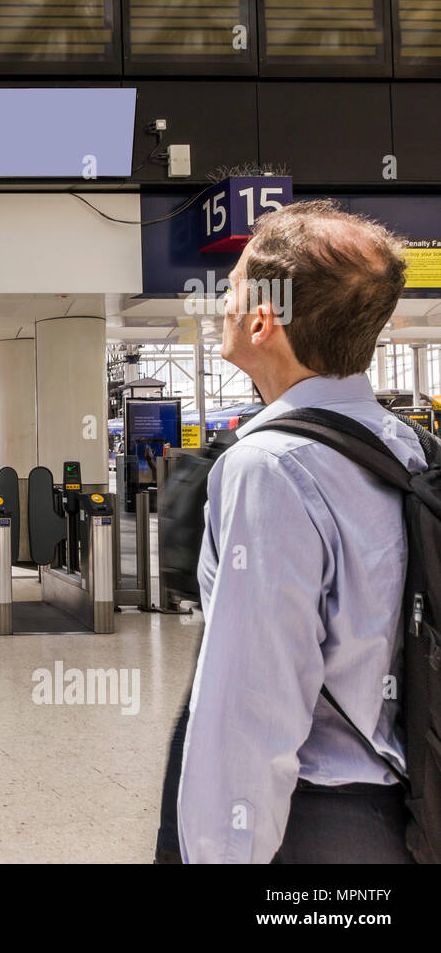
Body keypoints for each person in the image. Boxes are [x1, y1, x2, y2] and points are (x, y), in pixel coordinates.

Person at [176, 199, 423, 863]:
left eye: (230, 291)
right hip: (407, 808)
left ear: (262, 321)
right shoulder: (408, 448)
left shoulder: (269, 470)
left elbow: (252, 710)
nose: (220, 307)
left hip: (318, 825)